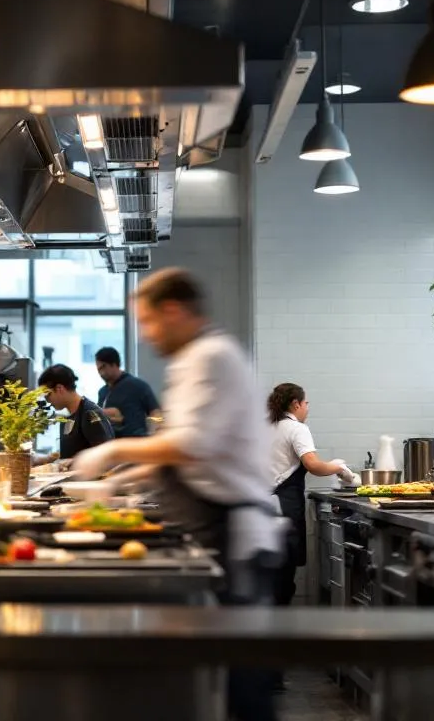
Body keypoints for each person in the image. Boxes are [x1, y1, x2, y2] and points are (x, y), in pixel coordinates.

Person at [72, 268, 281, 721]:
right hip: (213, 528)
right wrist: (122, 481)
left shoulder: (211, 356)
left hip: (234, 533)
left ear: (172, 311)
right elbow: (192, 451)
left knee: (240, 679)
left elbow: (192, 445)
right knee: (221, 672)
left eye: (147, 322)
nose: (146, 335)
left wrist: (112, 451)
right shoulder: (197, 358)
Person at [268, 383, 353, 608]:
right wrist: (338, 467)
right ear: (296, 404)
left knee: (270, 572)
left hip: (262, 506)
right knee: (283, 578)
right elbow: (313, 465)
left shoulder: (269, 427)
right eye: (306, 403)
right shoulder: (296, 428)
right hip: (284, 507)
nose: (307, 408)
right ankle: (277, 633)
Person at [38, 364, 114, 460]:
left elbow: (106, 453)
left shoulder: (89, 413)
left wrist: (74, 462)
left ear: (59, 388)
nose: (47, 401)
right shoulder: (68, 417)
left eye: (47, 395)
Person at [94, 347, 159, 438]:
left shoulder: (137, 385)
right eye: (98, 369)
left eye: (103, 367)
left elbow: (155, 411)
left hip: (135, 443)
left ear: (114, 364)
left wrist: (154, 435)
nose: (101, 373)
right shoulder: (102, 392)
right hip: (111, 444)